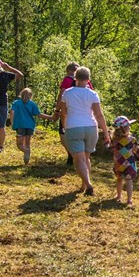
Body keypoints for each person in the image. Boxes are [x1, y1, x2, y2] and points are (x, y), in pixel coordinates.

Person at [56, 66, 108, 196]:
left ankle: (89, 185)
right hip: (91, 127)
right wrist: (106, 133)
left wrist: (64, 126)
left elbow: (64, 113)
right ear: (88, 79)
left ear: (75, 78)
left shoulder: (67, 93)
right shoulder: (93, 94)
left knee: (79, 159)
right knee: (86, 158)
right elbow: (99, 115)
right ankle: (84, 185)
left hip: (74, 127)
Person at [7, 88, 53, 165]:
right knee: (27, 143)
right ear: (30, 95)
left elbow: (12, 112)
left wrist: (12, 122)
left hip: (19, 125)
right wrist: (50, 117)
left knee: (19, 144)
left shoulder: (16, 103)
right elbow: (39, 114)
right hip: (30, 126)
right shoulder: (32, 104)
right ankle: (26, 161)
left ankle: (25, 151)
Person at [109, 116, 139, 205]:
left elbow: (110, 148)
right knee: (128, 180)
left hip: (118, 164)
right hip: (129, 164)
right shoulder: (131, 139)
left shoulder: (114, 140)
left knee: (120, 179)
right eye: (128, 126)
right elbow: (137, 151)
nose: (129, 127)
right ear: (124, 128)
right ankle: (128, 200)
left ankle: (119, 196)